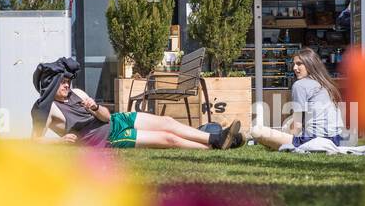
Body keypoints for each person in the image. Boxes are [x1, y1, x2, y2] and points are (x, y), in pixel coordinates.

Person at [31, 58, 242, 150]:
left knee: (167, 121)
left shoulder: (77, 92)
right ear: (50, 85)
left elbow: (105, 116)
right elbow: (34, 142)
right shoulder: (45, 109)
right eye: (62, 83)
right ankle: (213, 147)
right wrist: (59, 142)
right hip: (109, 137)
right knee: (168, 139)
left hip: (116, 121)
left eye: (68, 81)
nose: (67, 86)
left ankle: (217, 137)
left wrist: (95, 108)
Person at [249, 47, 344, 150]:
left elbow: (297, 127)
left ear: (310, 64)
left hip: (313, 141)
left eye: (299, 64)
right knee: (289, 122)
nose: (294, 68)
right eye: (294, 64)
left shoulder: (299, 85)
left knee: (256, 131)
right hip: (336, 140)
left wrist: (287, 138)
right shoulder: (324, 84)